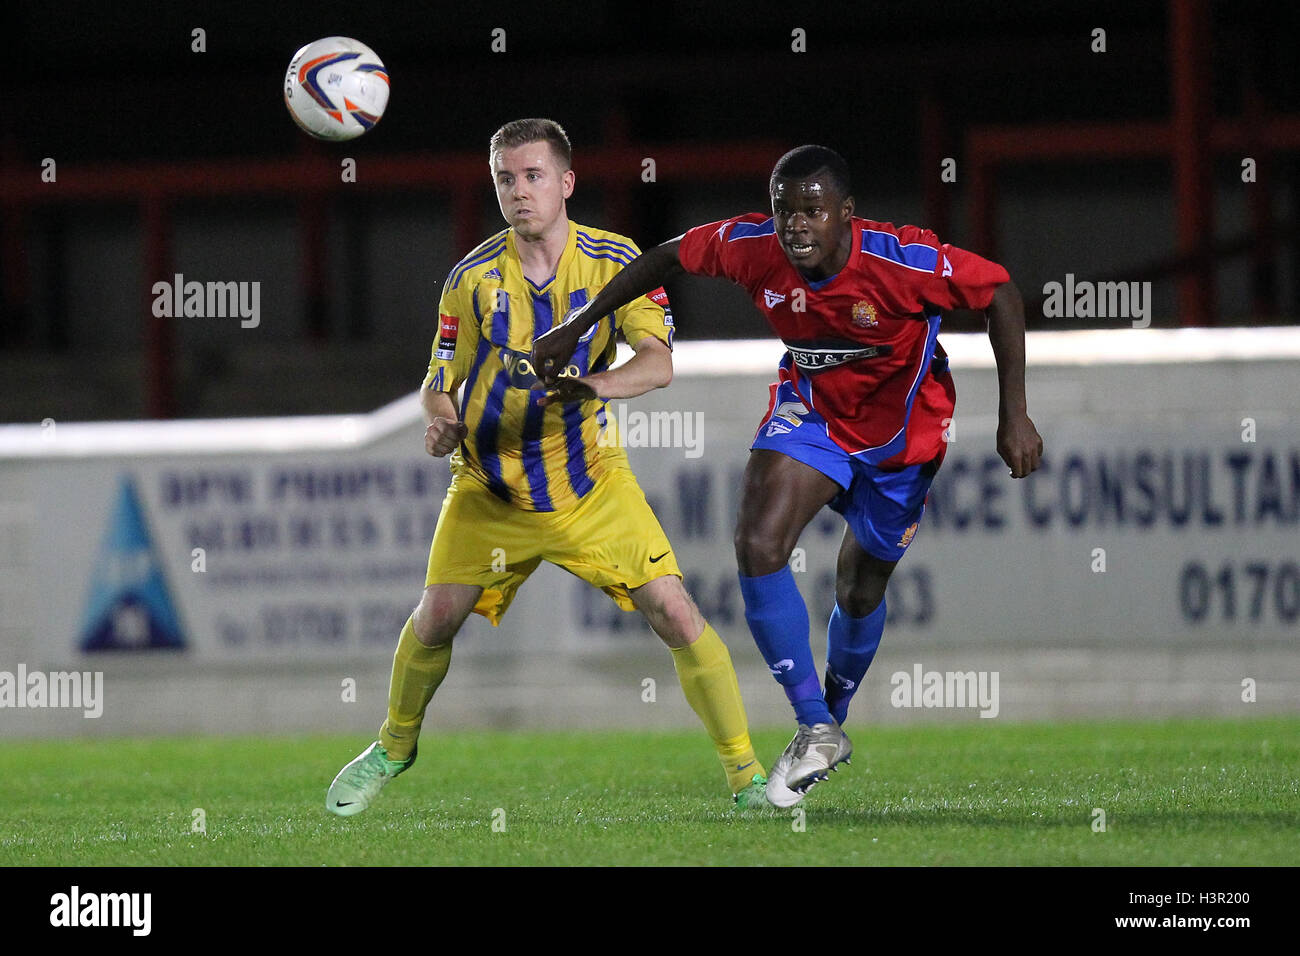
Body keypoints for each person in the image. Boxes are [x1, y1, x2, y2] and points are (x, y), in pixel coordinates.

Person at [532, 144, 1043, 807]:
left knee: (859, 589)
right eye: (784, 211)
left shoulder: (899, 259)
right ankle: (813, 723)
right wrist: (578, 324)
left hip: (903, 438)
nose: (796, 226)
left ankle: (832, 714)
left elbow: (999, 291)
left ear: (846, 215)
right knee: (758, 542)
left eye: (813, 211)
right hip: (815, 417)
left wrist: (1015, 416)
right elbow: (665, 255)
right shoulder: (754, 248)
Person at [327, 118, 769, 815]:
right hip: (489, 484)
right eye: (505, 178)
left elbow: (657, 365)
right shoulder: (471, 279)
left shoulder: (614, 262)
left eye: (533, 176)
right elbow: (439, 377)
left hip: (589, 481)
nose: (518, 191)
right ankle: (393, 745)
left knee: (675, 610)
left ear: (566, 182)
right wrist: (439, 418)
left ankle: (747, 778)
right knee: (436, 617)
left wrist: (593, 387)